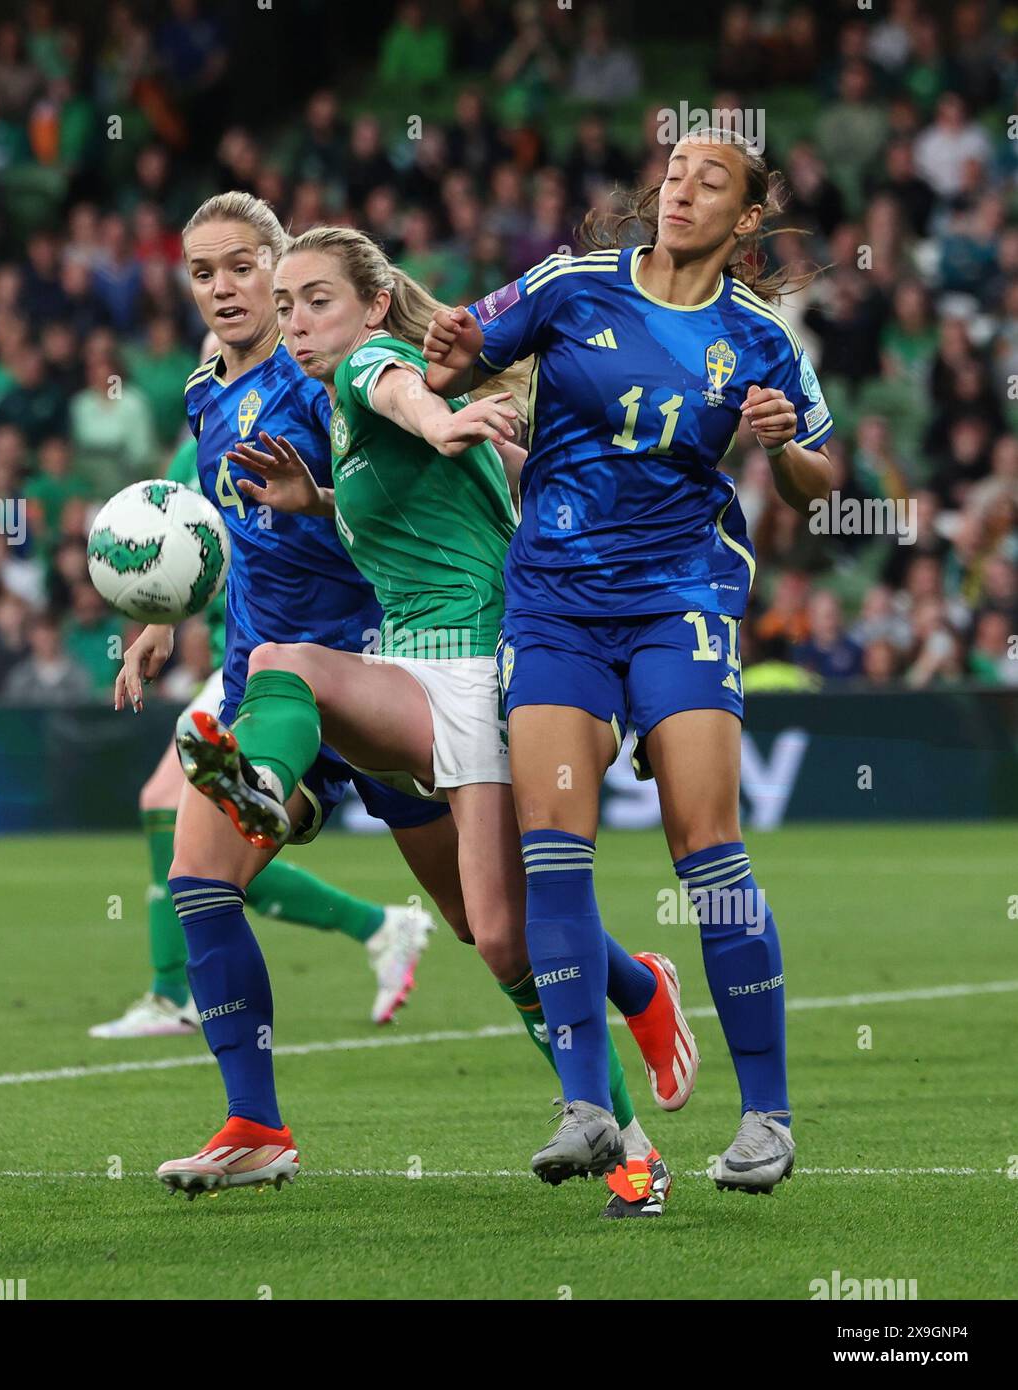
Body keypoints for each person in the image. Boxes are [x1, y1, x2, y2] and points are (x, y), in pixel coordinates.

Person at [156, 225, 683, 1218]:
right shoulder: (332, 418)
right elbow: (460, 490)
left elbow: (398, 388)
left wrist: (437, 419)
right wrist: (316, 501)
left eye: (313, 299)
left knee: (500, 940)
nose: (294, 319)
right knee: (284, 666)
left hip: (480, 676)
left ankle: (634, 1141)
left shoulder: (370, 368)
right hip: (403, 668)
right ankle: (268, 785)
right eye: (288, 304)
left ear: (368, 304)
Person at [423, 129, 835, 1194]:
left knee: (708, 848)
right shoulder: (569, 284)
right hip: (554, 601)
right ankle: (585, 1107)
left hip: (679, 600)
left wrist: (781, 443)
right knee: (552, 845)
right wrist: (451, 351)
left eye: (710, 181)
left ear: (744, 220)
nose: (680, 190)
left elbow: (815, 484)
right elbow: (467, 342)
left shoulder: (755, 336)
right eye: (673, 174)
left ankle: (766, 1119)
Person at [91, 335, 442, 1039]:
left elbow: (373, 506)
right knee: (196, 828)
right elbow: (179, 546)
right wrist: (155, 626)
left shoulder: (311, 402)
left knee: (483, 918)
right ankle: (197, 993)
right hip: (248, 652)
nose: (221, 357)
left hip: (338, 646)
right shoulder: (203, 418)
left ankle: (365, 920)